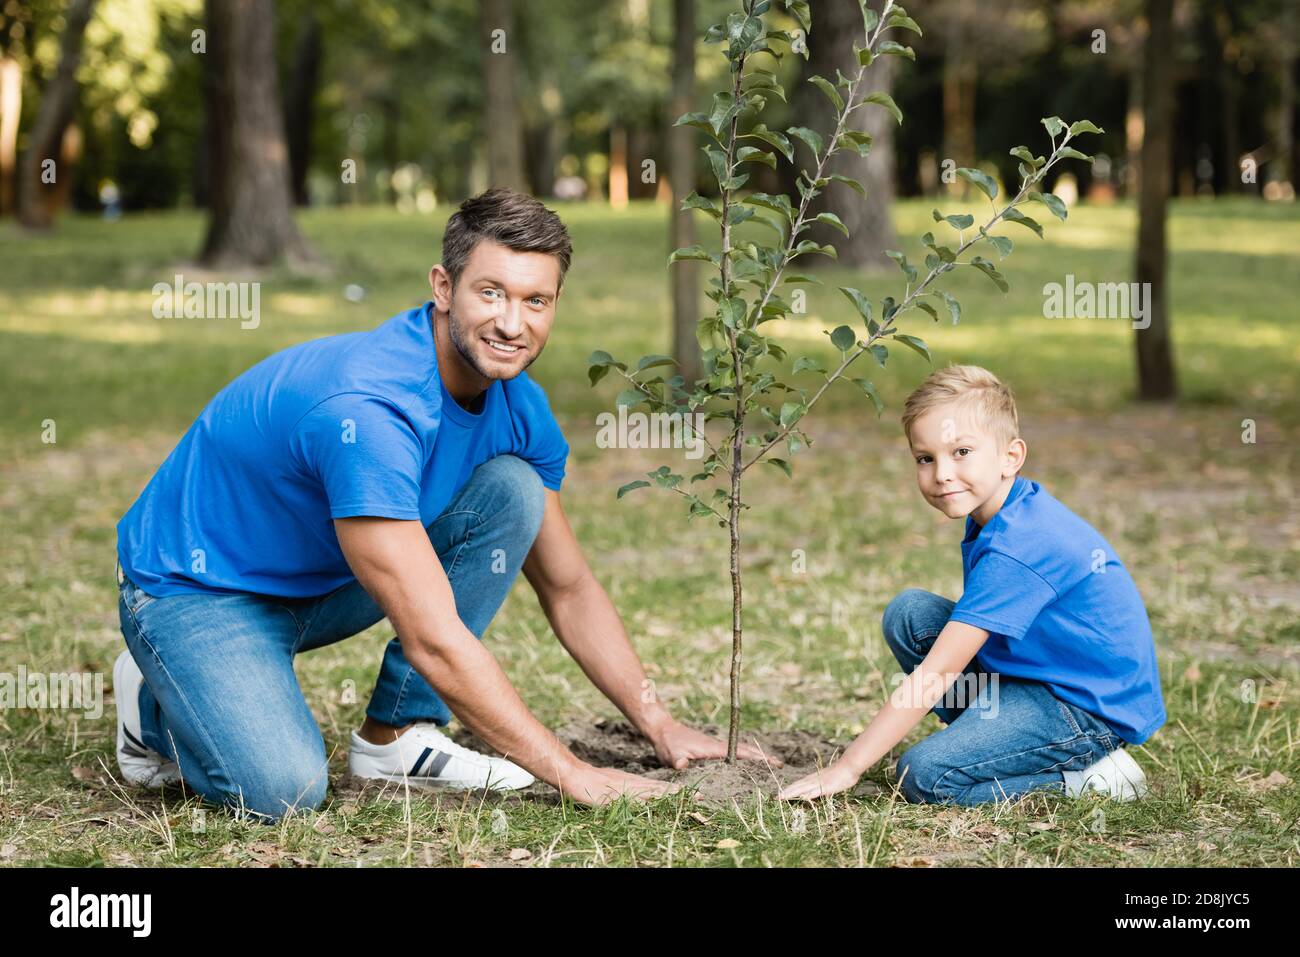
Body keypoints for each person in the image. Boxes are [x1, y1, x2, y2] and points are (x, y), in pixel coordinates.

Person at [113, 187, 777, 822]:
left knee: (514, 488)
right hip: (196, 588)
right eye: (490, 292)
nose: (512, 323)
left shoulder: (520, 407)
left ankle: (397, 734)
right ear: (442, 286)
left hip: (324, 577)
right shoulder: (371, 409)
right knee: (282, 789)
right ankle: (155, 699)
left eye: (535, 300)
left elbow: (569, 586)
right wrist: (575, 773)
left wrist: (659, 723)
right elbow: (433, 634)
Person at [779, 365, 1164, 806]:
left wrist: (848, 767)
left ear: (1011, 457)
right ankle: (995, 741)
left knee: (923, 775)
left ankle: (1092, 778)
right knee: (911, 614)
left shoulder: (1021, 545)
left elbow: (936, 673)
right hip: (1037, 676)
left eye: (961, 451)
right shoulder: (1000, 512)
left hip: (1086, 709)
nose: (942, 473)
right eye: (925, 458)